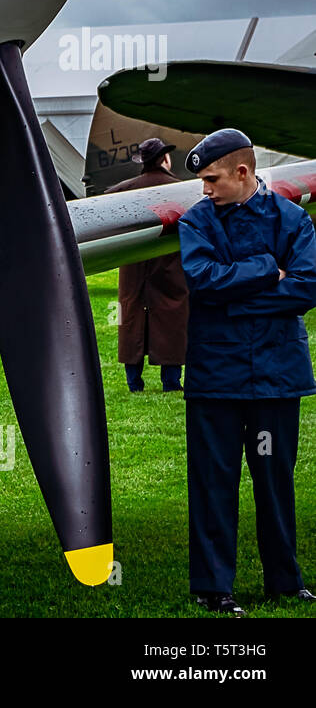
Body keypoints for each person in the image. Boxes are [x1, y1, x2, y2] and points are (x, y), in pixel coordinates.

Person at [178, 128, 316, 615]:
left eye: (212, 179)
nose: (205, 190)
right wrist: (264, 269)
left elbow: (306, 287)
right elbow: (201, 280)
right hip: (216, 379)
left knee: (274, 478)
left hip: (275, 379)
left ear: (243, 172)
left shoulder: (292, 218)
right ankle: (213, 587)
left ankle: (284, 580)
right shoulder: (196, 223)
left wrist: (234, 300)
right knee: (214, 481)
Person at [106, 138, 188, 392]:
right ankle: (171, 381)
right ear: (164, 159)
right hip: (171, 264)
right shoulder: (182, 189)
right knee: (173, 318)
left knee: (131, 320)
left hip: (133, 266)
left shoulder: (123, 190)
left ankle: (134, 382)